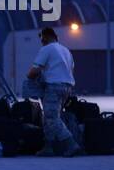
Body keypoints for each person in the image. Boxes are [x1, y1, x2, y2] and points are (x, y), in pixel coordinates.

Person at [27, 27, 84, 157]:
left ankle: (71, 144)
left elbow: (34, 71)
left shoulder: (47, 49)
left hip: (53, 87)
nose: (41, 42)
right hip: (67, 87)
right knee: (48, 116)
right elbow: (71, 70)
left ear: (46, 37)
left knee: (52, 117)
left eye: (41, 39)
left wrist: (29, 76)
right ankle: (48, 147)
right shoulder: (66, 50)